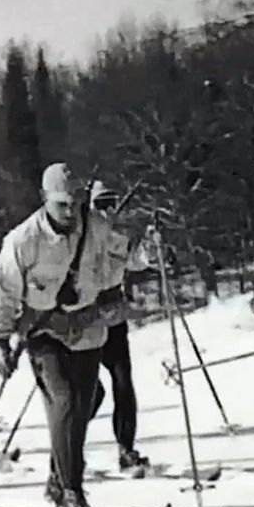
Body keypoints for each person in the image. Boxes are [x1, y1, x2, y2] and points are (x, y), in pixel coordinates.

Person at [0, 162, 121, 507]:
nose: (70, 210)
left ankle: (59, 475)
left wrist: (147, 256)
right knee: (64, 402)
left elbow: (115, 266)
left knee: (88, 400)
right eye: (62, 203)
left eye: (76, 201)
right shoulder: (23, 240)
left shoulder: (96, 226)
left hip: (87, 326)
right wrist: (0, 341)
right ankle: (72, 493)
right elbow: (1, 292)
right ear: (45, 199)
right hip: (44, 329)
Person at [85, 181, 150, 475]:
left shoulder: (121, 237)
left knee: (124, 385)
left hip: (115, 321)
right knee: (88, 392)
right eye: (101, 204)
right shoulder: (81, 237)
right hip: (86, 322)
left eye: (112, 202)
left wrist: (151, 243)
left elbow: (138, 263)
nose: (109, 209)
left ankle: (126, 447)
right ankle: (68, 447)